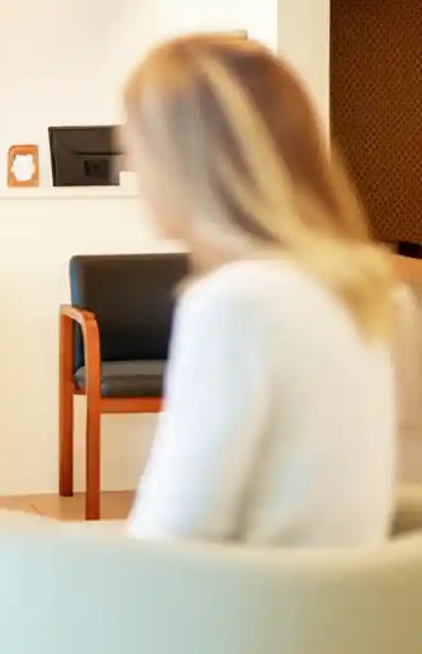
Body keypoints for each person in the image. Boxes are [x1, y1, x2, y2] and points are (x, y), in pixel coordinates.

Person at [119, 33, 415, 547]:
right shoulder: (375, 295)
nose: (132, 170)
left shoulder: (235, 305)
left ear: (186, 160)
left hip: (249, 598)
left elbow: (173, 536)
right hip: (338, 595)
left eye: (136, 147)